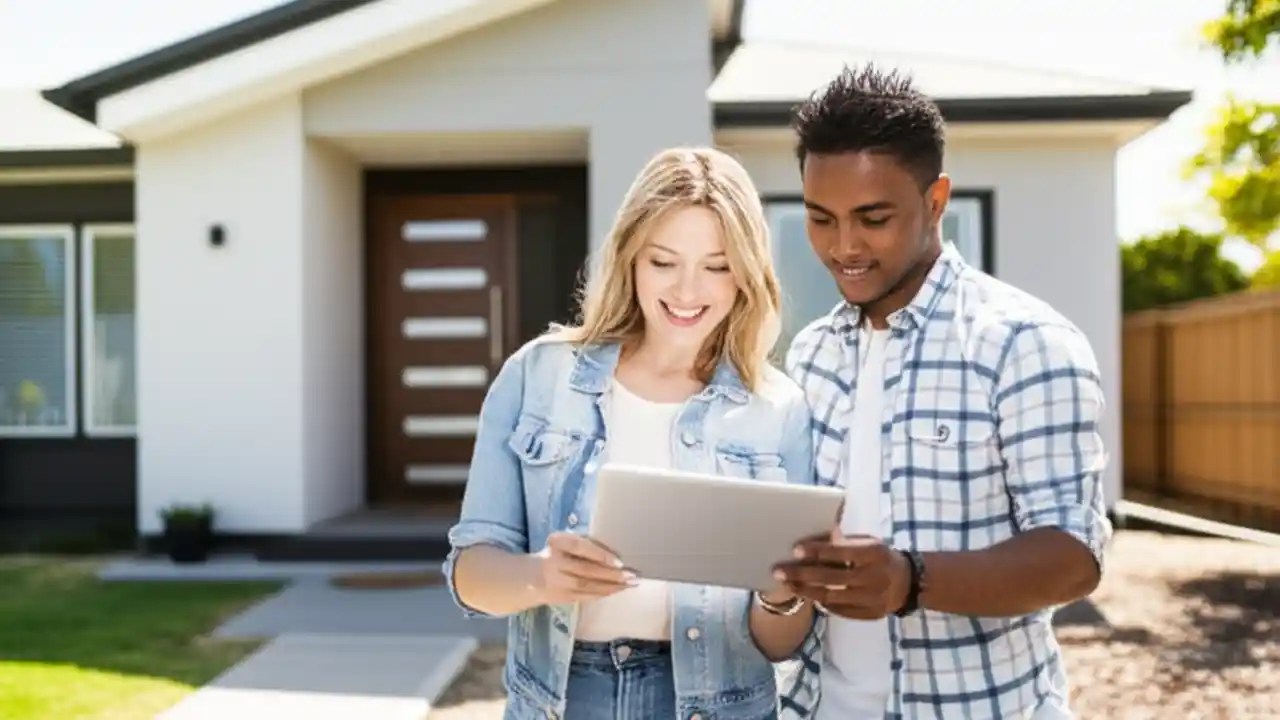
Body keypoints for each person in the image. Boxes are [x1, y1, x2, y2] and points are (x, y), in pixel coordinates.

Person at [762, 65, 1114, 719]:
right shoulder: (810, 354)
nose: (844, 247)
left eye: (873, 218)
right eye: (819, 218)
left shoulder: (1024, 342)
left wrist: (910, 580)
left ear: (935, 201)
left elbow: (1074, 556)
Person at [442, 146, 818, 720]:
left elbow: (779, 643)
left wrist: (782, 594)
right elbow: (470, 577)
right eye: (664, 261)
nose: (688, 290)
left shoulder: (779, 409)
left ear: (747, 273)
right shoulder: (539, 376)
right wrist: (541, 576)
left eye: (717, 265)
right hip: (563, 702)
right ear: (630, 258)